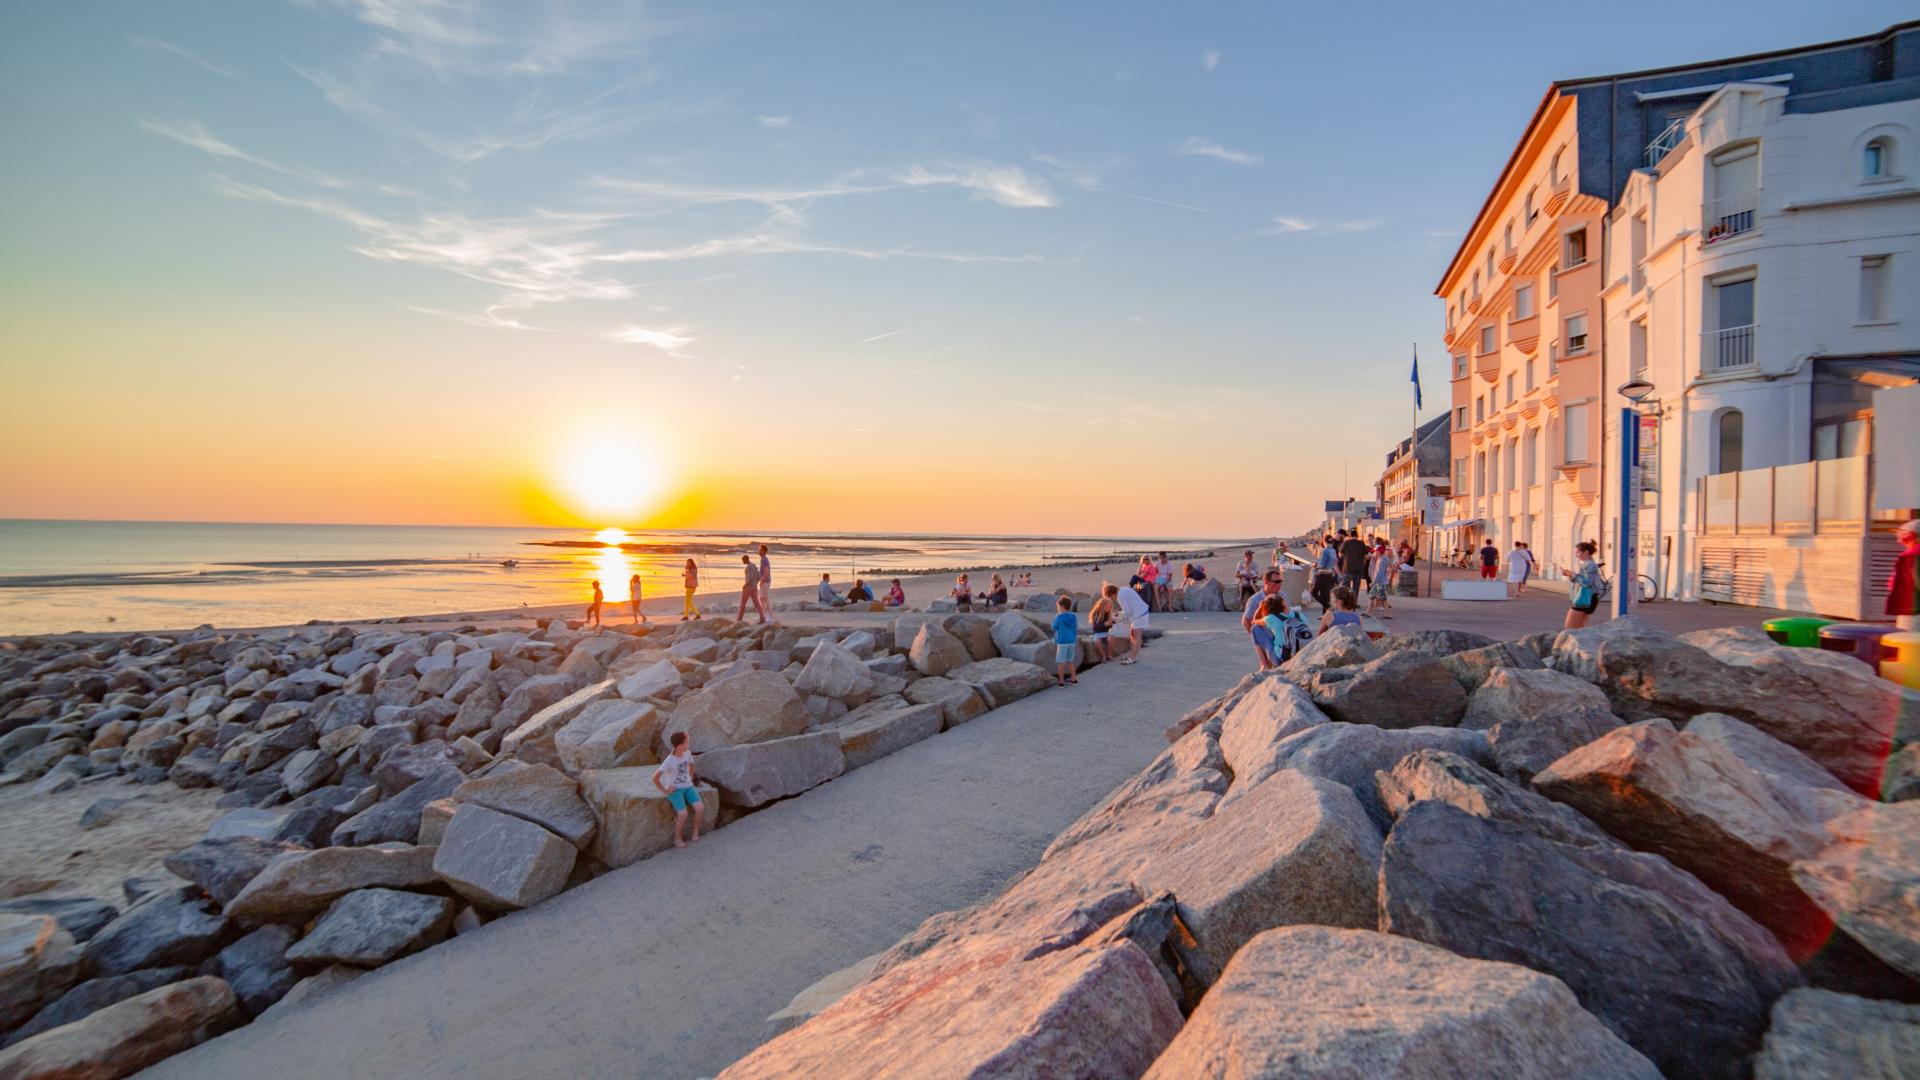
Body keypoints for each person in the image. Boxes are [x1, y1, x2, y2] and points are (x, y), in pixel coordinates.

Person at [651, 731, 702, 847]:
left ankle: (695, 831)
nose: (689, 745)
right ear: (679, 746)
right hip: (675, 790)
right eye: (687, 742)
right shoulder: (669, 760)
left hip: (688, 786)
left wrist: (690, 777)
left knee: (699, 807)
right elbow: (655, 777)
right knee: (683, 814)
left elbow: (692, 765)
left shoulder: (687, 754)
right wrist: (665, 790)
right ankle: (677, 839)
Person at [1242, 568, 1284, 669]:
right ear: (1266, 582)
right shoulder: (1255, 600)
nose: (1279, 584)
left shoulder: (1283, 596)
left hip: (1282, 639)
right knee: (1266, 665)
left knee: (1271, 666)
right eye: (1276, 581)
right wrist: (1257, 639)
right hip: (1267, 637)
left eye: (1281, 581)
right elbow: (1246, 621)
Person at [1889, 519, 1920, 631]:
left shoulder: (1913, 557)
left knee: (1907, 640)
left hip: (1912, 610)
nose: (1899, 540)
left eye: (1904, 536)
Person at [1108, 581, 1149, 665]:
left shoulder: (1120, 596)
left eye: (1110, 597)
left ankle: (1132, 658)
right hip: (1140, 613)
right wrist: (1120, 613)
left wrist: (1117, 616)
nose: (1112, 599)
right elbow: (1129, 608)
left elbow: (1127, 611)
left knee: (1137, 638)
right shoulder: (1123, 589)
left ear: (1111, 594)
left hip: (1139, 615)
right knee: (1133, 635)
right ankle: (1131, 656)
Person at [1565, 541, 1603, 629]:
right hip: (1589, 598)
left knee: (1570, 627)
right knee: (1580, 627)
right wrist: (1572, 575)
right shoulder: (1588, 564)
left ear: (1586, 552)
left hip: (1585, 598)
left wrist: (1573, 575)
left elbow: (1587, 582)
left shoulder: (1590, 565)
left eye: (1577, 553)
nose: (1576, 556)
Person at [1051, 596, 1080, 687]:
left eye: (1058, 607)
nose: (1058, 609)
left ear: (1062, 606)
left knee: (1061, 662)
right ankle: (1074, 678)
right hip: (1072, 641)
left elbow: (1054, 627)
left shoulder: (1059, 617)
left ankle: (1061, 681)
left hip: (1062, 642)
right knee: (1070, 661)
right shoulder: (1073, 616)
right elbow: (1075, 627)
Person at [1312, 536, 1339, 613]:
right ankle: (1325, 614)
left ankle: (1328, 606)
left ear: (1324, 542)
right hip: (1330, 574)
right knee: (1325, 595)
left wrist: (1315, 565)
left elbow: (1322, 564)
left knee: (1314, 592)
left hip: (1322, 574)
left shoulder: (1325, 550)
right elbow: (1334, 562)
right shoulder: (1333, 551)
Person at [1088, 590, 1116, 662]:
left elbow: (1110, 627)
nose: (1109, 608)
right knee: (1097, 641)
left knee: (1111, 638)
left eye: (1110, 606)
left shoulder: (1109, 613)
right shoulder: (1096, 614)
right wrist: (1104, 624)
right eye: (1107, 606)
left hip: (1106, 632)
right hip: (1097, 633)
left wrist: (1111, 623)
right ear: (1102, 606)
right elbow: (1095, 627)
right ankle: (1103, 655)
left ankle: (1109, 655)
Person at [1368, 543, 1395, 618]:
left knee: (1382, 599)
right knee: (1371, 596)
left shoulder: (1381, 561)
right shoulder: (1384, 558)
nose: (1374, 552)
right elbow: (1391, 566)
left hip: (1379, 583)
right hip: (1379, 582)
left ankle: (1388, 614)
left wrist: (1373, 582)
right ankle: (1368, 612)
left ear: (1379, 552)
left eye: (1376, 551)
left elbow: (1378, 574)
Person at [1339, 532, 1369, 596]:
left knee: (1344, 586)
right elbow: (1366, 557)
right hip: (1358, 569)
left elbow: (1340, 555)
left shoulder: (1346, 543)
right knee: (1356, 588)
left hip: (1348, 569)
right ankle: (1354, 603)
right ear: (1357, 536)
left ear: (1350, 536)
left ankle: (1345, 603)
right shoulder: (1361, 543)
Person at [737, 555, 765, 623]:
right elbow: (759, 577)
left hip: (748, 587)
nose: (742, 562)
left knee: (743, 603)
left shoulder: (748, 567)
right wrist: (755, 583)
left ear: (745, 560)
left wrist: (745, 585)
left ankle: (739, 618)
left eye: (743, 560)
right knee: (757, 603)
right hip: (754, 587)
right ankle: (762, 617)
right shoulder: (754, 566)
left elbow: (749, 578)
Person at [757, 544, 774, 625]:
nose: (758, 551)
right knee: (761, 599)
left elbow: (766, 572)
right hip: (765, 581)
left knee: (765, 599)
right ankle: (762, 615)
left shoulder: (764, 560)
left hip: (765, 582)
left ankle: (770, 617)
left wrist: (761, 581)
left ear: (763, 551)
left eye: (760, 550)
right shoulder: (763, 559)